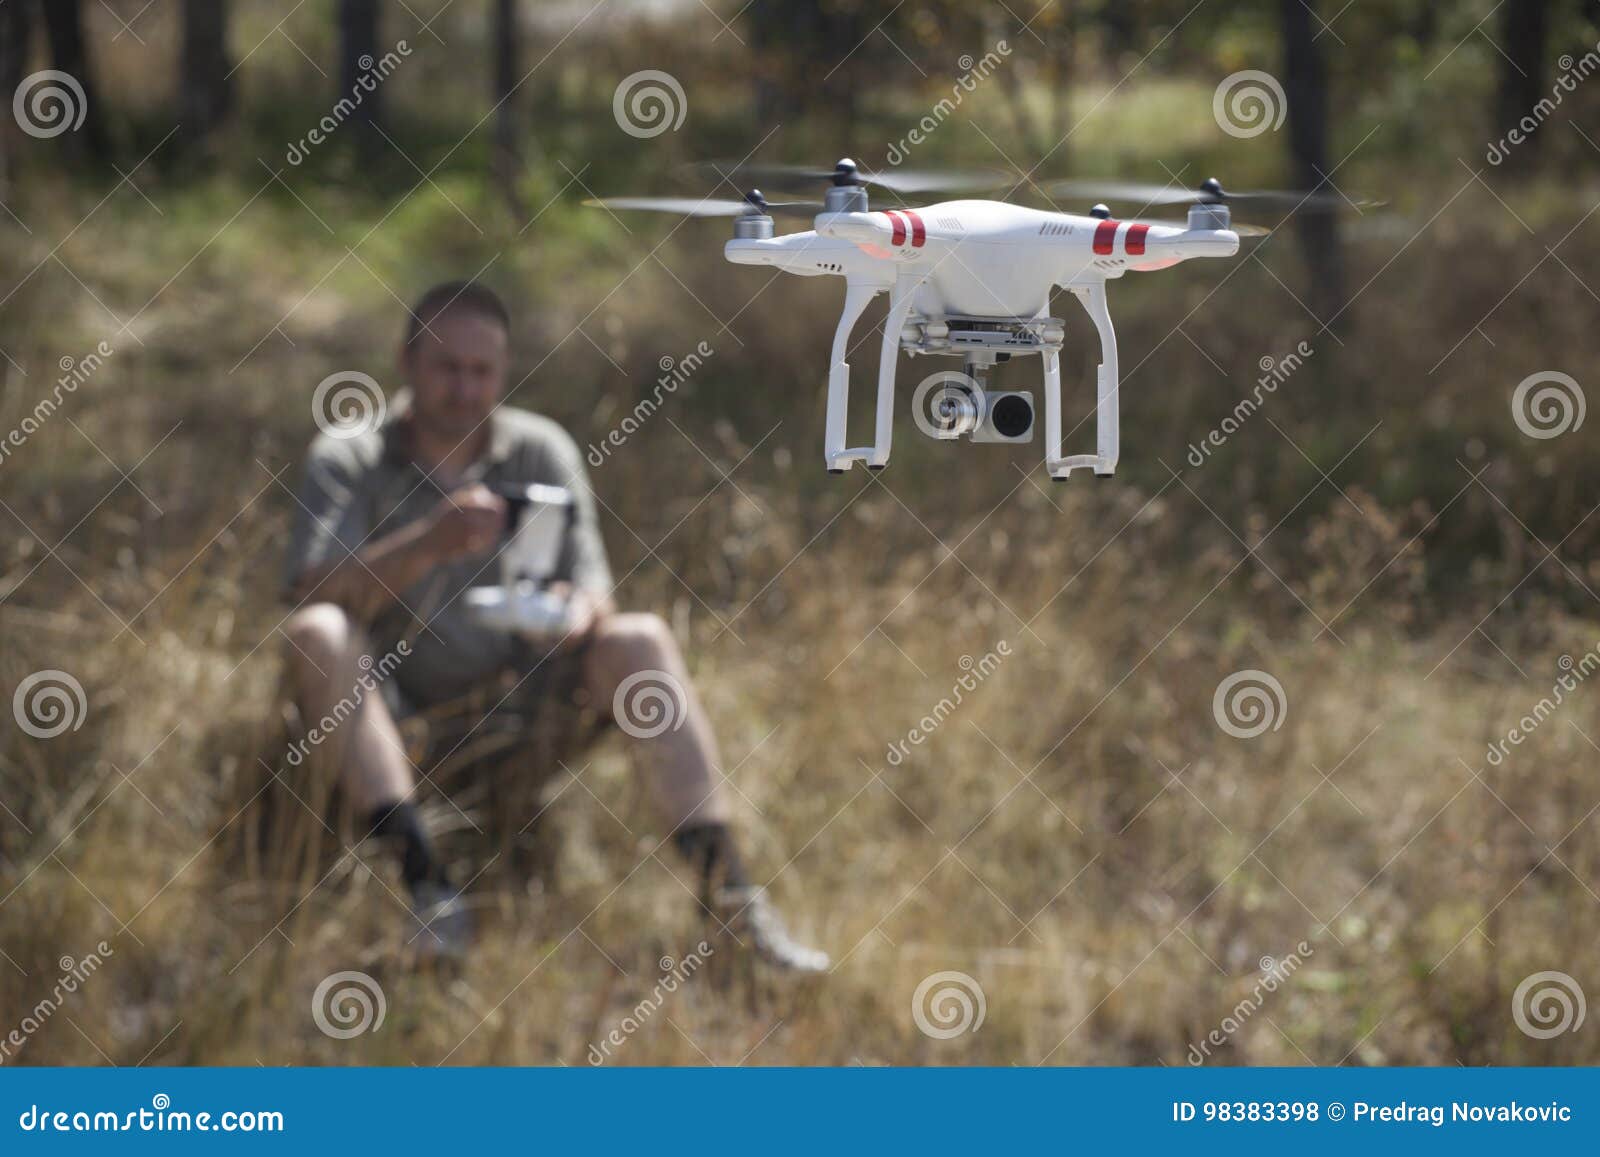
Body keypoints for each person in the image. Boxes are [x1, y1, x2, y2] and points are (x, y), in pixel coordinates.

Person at [280, 281, 827, 971]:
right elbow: (309, 590)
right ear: (406, 362)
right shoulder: (349, 455)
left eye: (482, 370)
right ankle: (428, 889)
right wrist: (427, 544)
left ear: (504, 370)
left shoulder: (541, 448)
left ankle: (732, 897)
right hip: (396, 721)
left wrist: (574, 614)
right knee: (318, 633)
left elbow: (596, 589)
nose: (465, 388)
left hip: (524, 709)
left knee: (640, 638)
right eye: (447, 367)